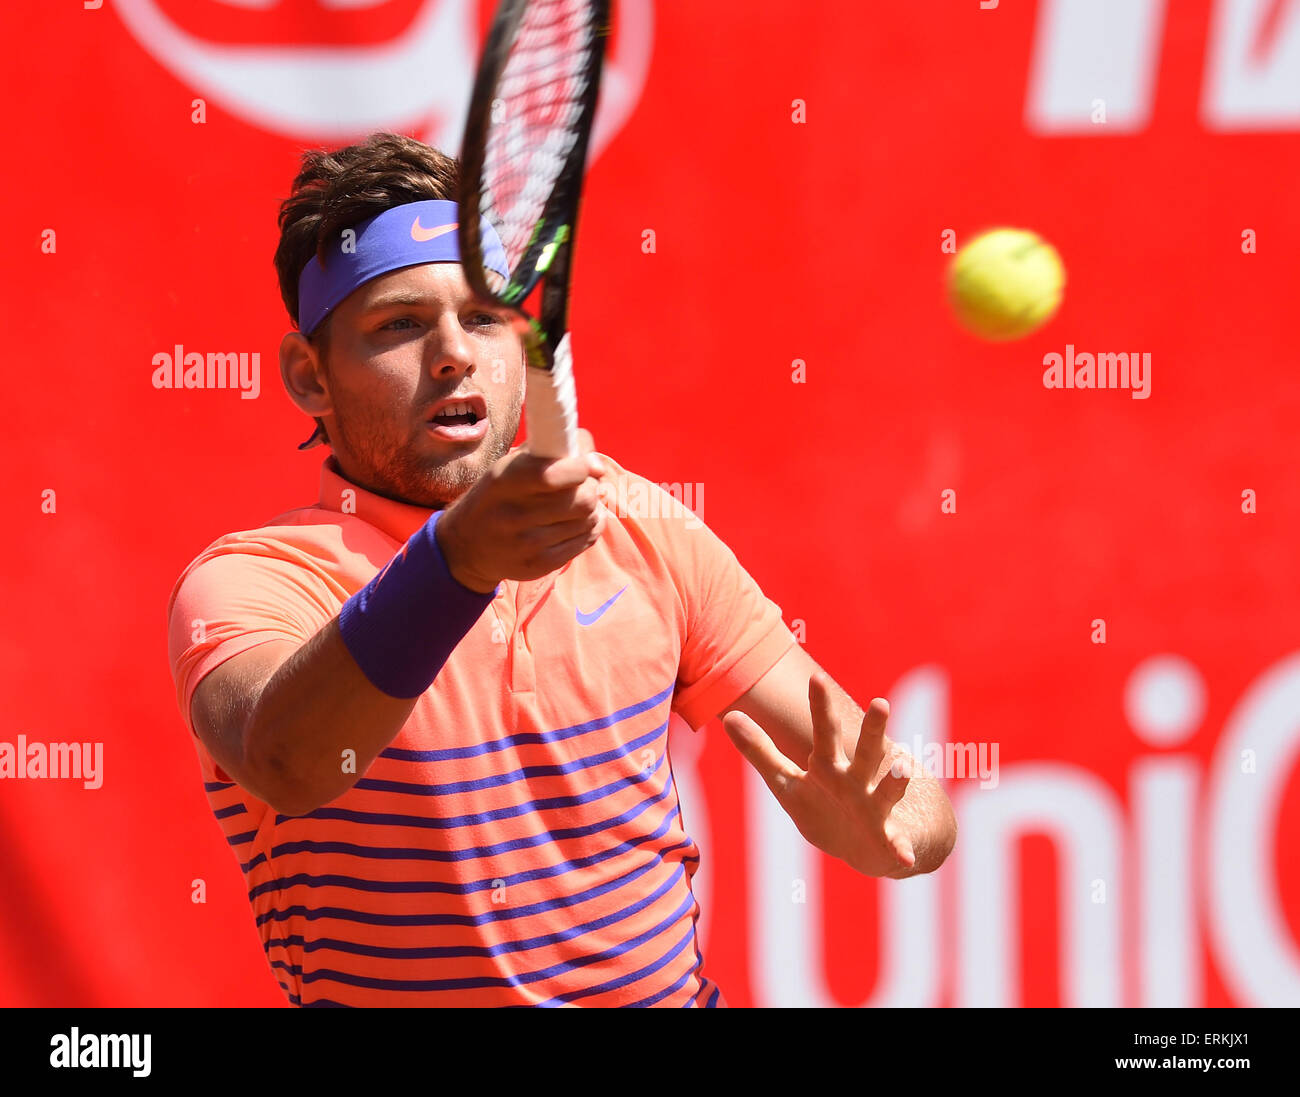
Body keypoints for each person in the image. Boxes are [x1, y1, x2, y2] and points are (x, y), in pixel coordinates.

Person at [166, 131, 956, 1007]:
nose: (454, 352)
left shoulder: (642, 525)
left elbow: (913, 804)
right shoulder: (251, 582)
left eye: (484, 315)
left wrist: (889, 832)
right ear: (309, 376)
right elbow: (288, 762)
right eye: (399, 323)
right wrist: (457, 560)